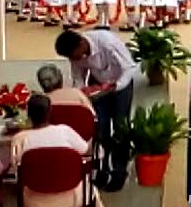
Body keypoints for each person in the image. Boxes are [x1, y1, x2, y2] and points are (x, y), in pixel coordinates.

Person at [11, 96, 111, 207]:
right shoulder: (64, 131)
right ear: (50, 112)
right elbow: (85, 149)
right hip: (70, 199)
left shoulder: (21, 139)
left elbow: (18, 171)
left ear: (28, 114)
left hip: (36, 201)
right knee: (89, 186)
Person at [54, 29, 138, 190]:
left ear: (81, 43)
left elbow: (129, 68)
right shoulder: (75, 54)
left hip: (121, 82)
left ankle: (119, 172)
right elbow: (78, 76)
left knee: (120, 126)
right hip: (98, 84)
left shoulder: (108, 43)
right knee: (99, 127)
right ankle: (102, 169)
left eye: (76, 56)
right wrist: (83, 91)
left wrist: (115, 86)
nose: (76, 59)